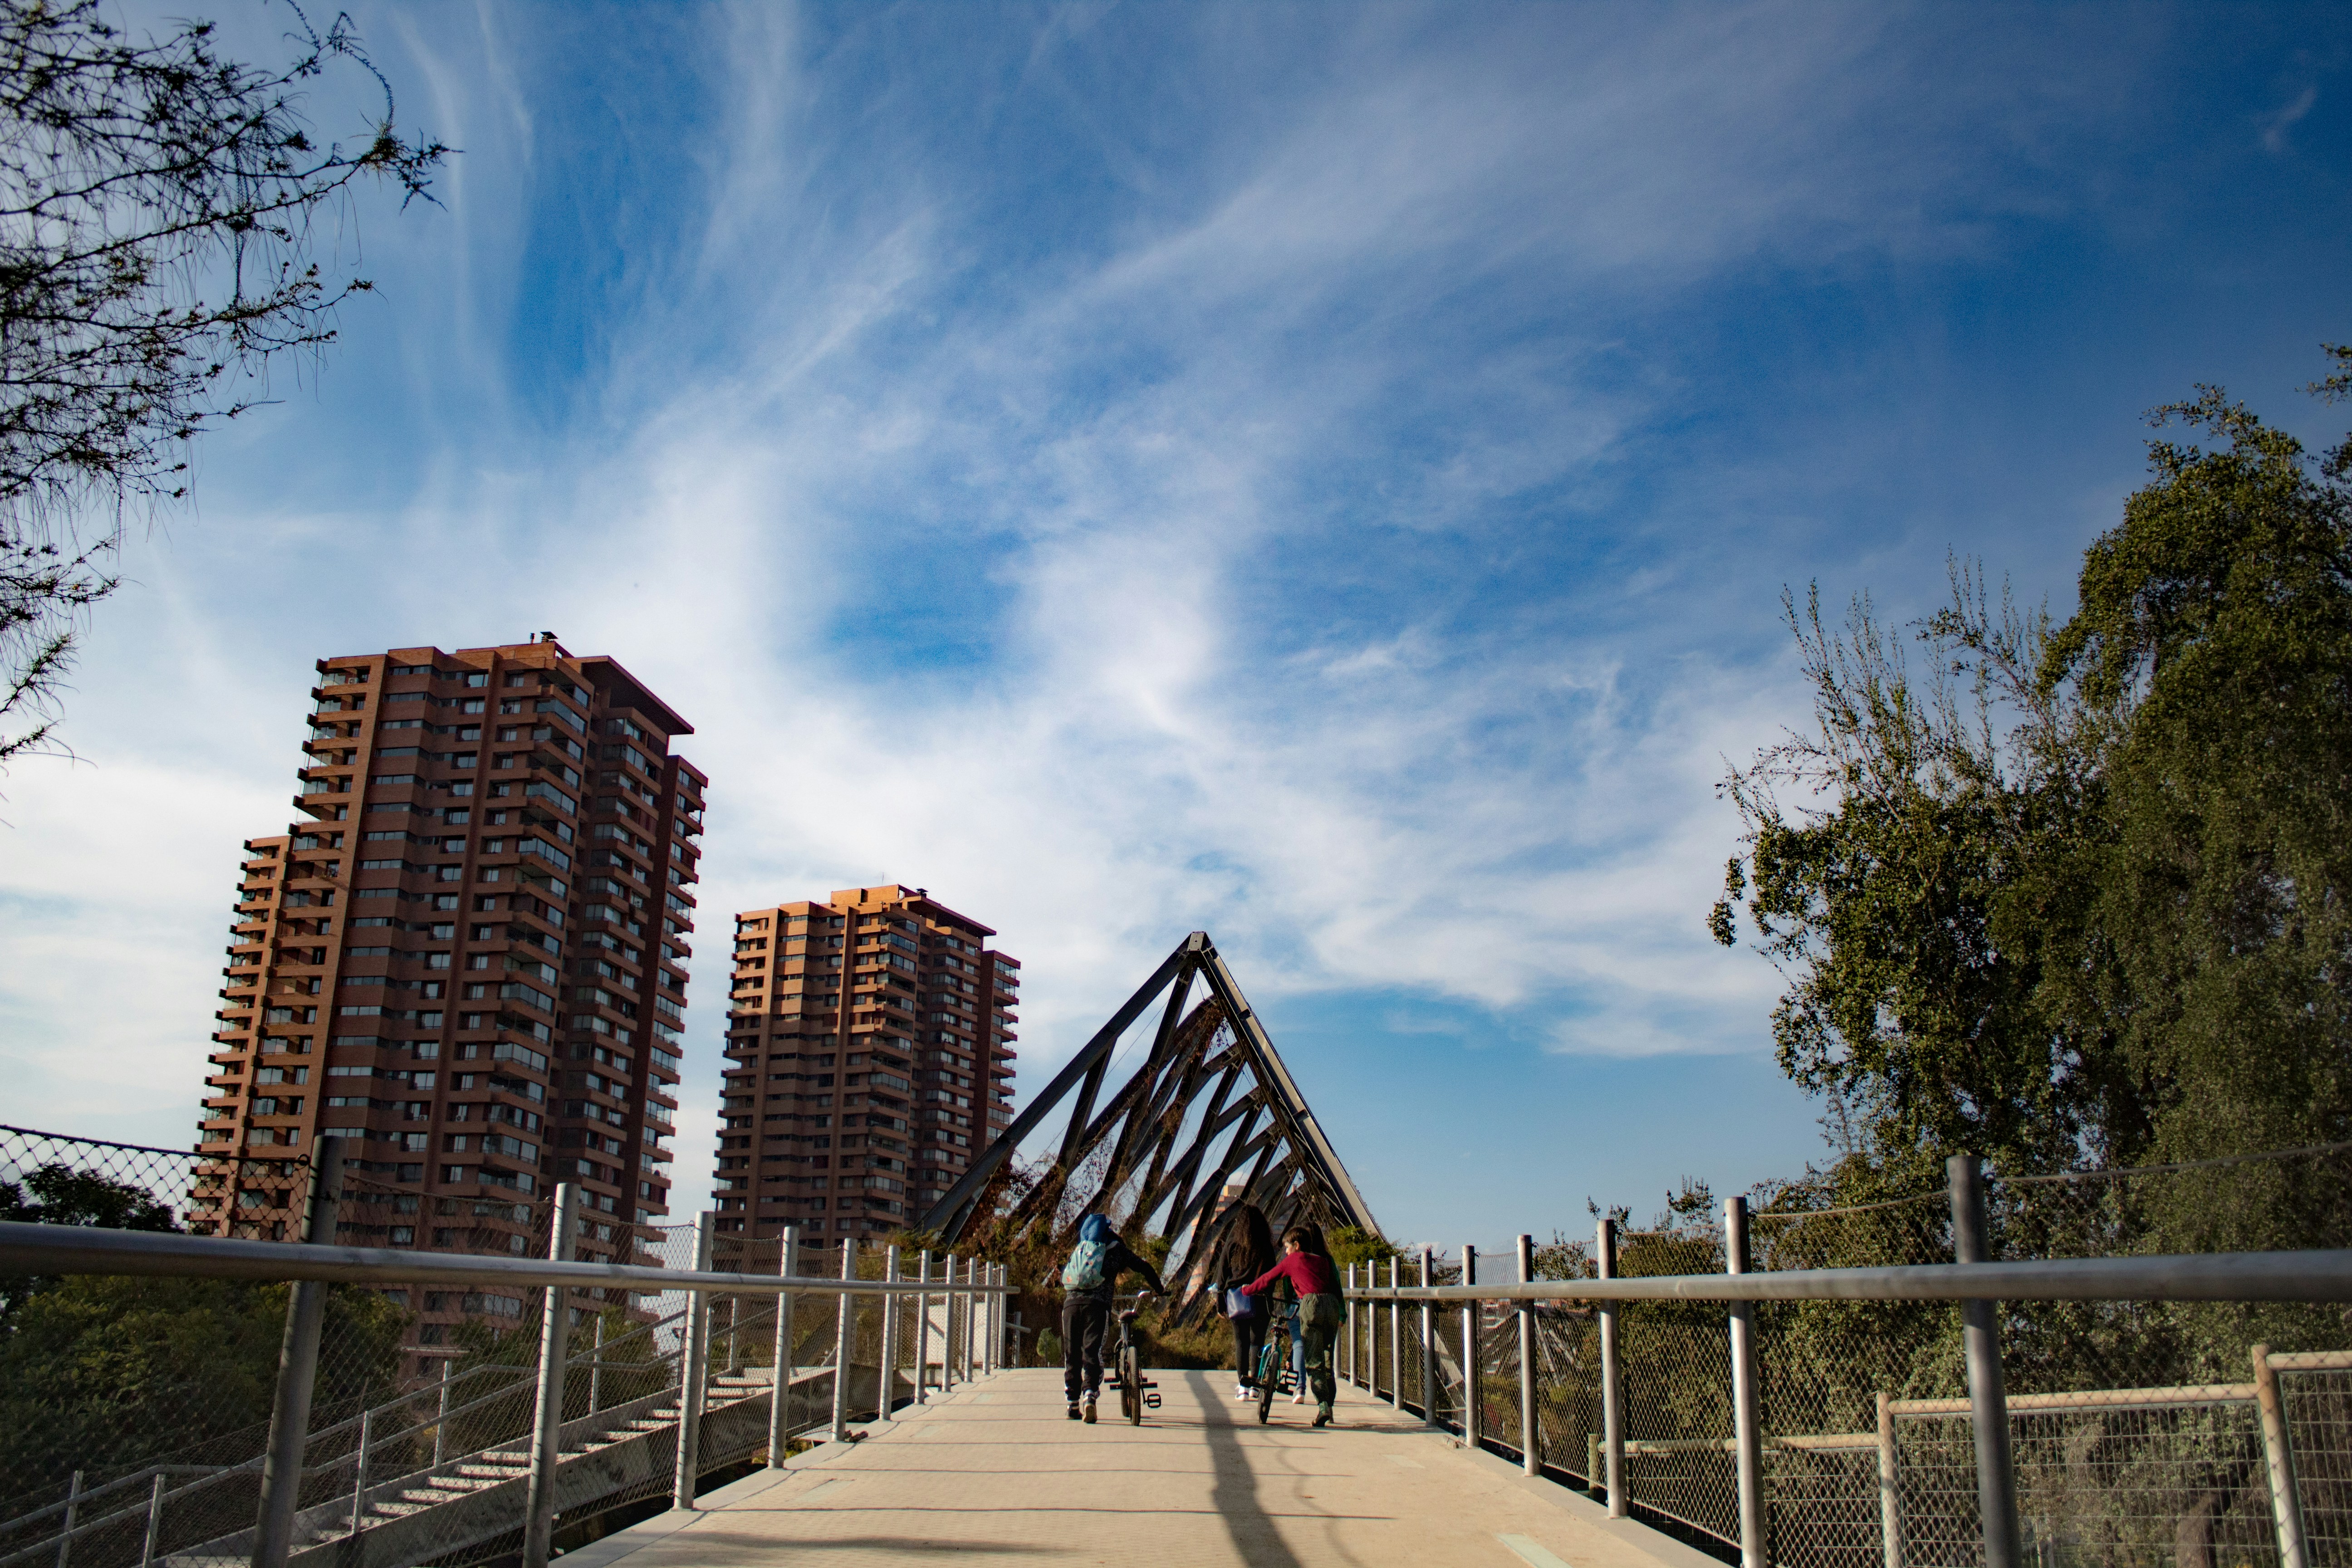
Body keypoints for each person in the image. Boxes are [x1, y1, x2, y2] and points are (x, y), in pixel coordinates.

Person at [1060, 1212, 1166, 1423]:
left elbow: (1066, 1273)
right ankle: (1089, 1396)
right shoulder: (1117, 1248)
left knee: (1071, 1354)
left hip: (1071, 1305)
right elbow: (1143, 1267)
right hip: (1097, 1306)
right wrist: (1159, 1289)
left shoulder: (1082, 1249)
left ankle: (1072, 1404)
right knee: (1092, 1352)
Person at [1240, 1223, 1345, 1427]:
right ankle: (1329, 1409)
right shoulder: (1323, 1260)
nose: (1286, 1251)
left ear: (1296, 1246)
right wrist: (1342, 1313)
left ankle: (1323, 1406)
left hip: (1311, 1305)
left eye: (1287, 1247)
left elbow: (1268, 1278)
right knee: (1327, 1358)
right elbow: (1334, 1285)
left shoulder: (1293, 1260)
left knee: (1314, 1362)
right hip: (1331, 1306)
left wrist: (1247, 1291)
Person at [1209, 1202, 1277, 1400]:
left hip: (1237, 1300)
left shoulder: (1232, 1244)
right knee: (1257, 1342)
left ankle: (1243, 1387)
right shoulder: (1265, 1246)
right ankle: (1255, 1385)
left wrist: (1221, 1304)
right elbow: (1272, 1275)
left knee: (1241, 1343)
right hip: (1261, 1299)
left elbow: (1222, 1277)